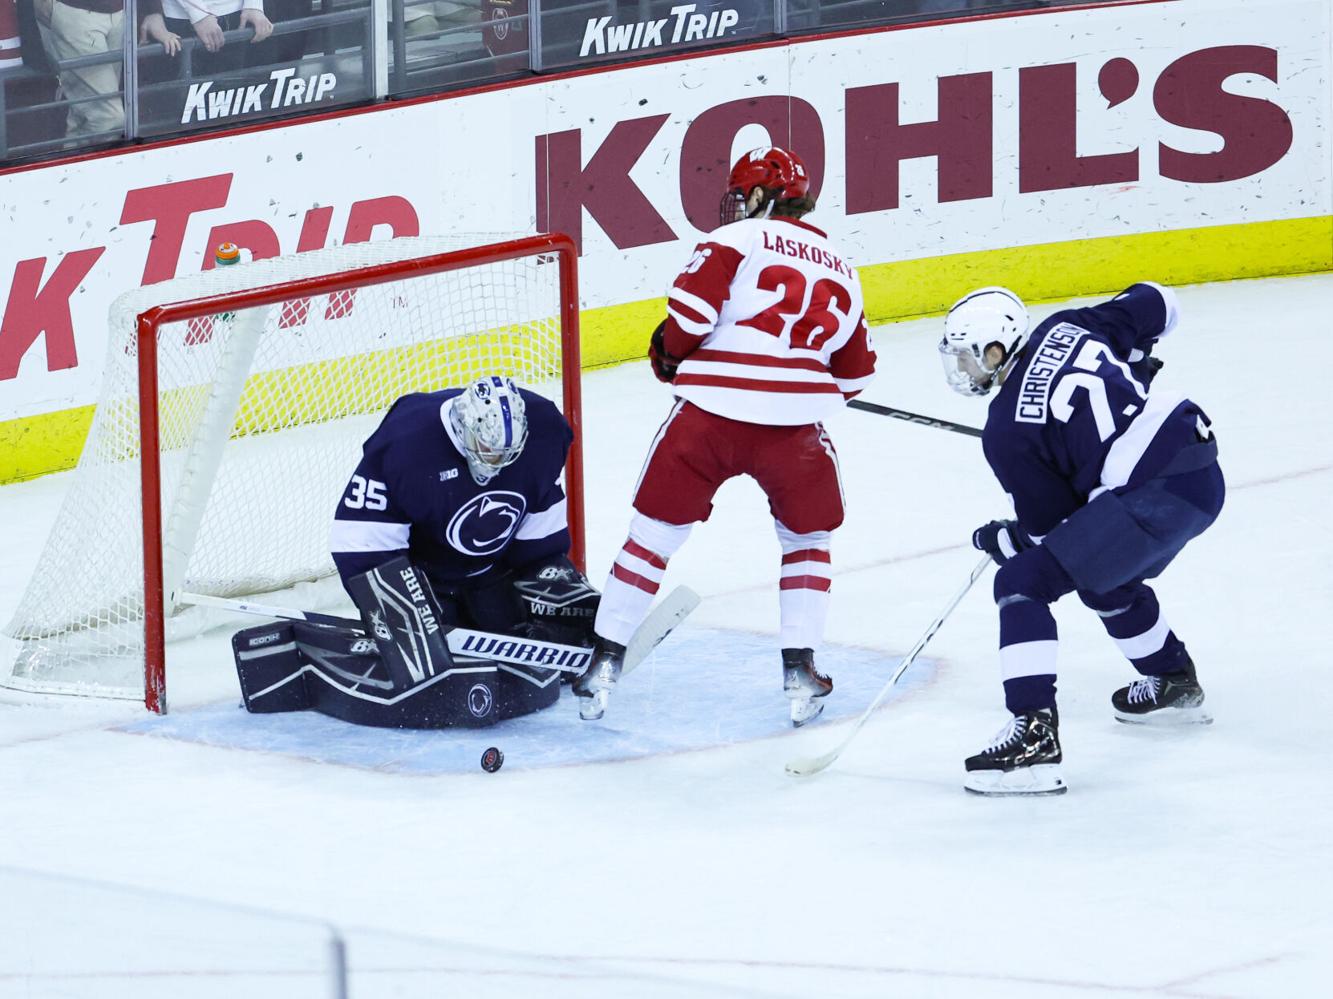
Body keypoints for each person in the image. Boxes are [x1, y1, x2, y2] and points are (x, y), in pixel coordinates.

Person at [574, 145, 877, 726]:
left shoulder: (734, 242)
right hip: (795, 435)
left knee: (651, 539)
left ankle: (605, 658)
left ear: (762, 197)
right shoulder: (841, 265)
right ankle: (800, 667)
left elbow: (687, 320)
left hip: (709, 417)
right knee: (807, 542)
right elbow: (857, 373)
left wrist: (669, 354)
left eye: (744, 196)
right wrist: (804, 388)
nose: (738, 207)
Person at [939, 283, 1225, 796]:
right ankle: (1173, 682)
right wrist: (1135, 360)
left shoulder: (1005, 431)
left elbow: (1054, 530)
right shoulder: (1068, 325)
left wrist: (1007, 541)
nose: (963, 371)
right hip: (1199, 470)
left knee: (1022, 581)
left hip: (1149, 492)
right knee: (1102, 576)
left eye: (969, 357)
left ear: (999, 347)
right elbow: (1162, 302)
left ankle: (1034, 738)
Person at [233, 375, 600, 729]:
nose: (495, 462)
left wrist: (549, 589)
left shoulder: (544, 431)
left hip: (491, 572)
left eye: (506, 453)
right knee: (424, 668)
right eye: (487, 449)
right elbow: (359, 543)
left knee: (554, 631)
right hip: (423, 579)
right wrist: (402, 612)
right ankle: (316, 658)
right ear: (463, 429)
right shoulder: (408, 443)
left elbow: (538, 528)